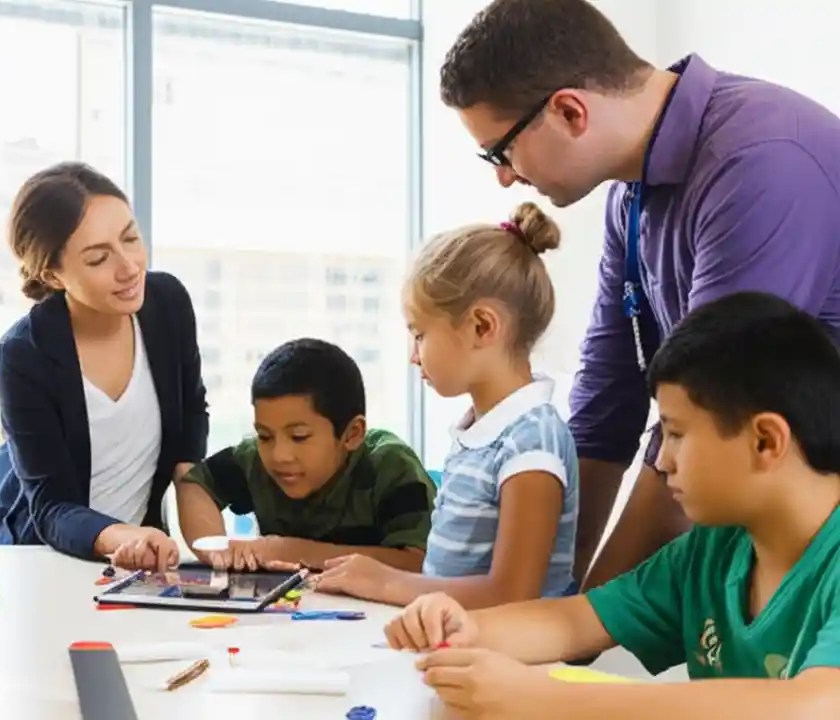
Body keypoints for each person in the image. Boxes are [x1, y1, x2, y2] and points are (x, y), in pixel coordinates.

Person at [439, 0, 840, 589]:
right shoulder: (629, 200)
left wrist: (581, 618)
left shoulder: (760, 163)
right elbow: (607, 409)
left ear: (569, 111)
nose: (504, 176)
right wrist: (548, 597)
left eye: (500, 151)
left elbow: (705, 419)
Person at [387, 292, 840, 718]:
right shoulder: (714, 550)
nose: (662, 461)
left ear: (765, 440)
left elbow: (812, 705)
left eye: (676, 433)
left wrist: (548, 698)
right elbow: (576, 621)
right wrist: (468, 628)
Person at [316, 202, 577, 609]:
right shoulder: (483, 432)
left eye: (419, 334)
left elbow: (511, 595)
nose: (413, 355)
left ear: (482, 326)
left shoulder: (532, 442)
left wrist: (386, 582)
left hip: (512, 664)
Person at [0, 162, 208, 572]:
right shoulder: (24, 353)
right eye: (98, 258)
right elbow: (51, 506)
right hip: (41, 560)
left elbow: (190, 423)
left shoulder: (167, 304)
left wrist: (205, 538)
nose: (129, 266)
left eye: (131, 237)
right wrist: (122, 536)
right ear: (53, 275)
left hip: (139, 562)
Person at [176, 338, 435, 572]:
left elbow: (417, 561)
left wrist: (292, 551)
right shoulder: (255, 459)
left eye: (299, 437)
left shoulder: (390, 465)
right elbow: (195, 484)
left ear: (352, 434)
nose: (279, 455)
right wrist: (218, 552)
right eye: (265, 436)